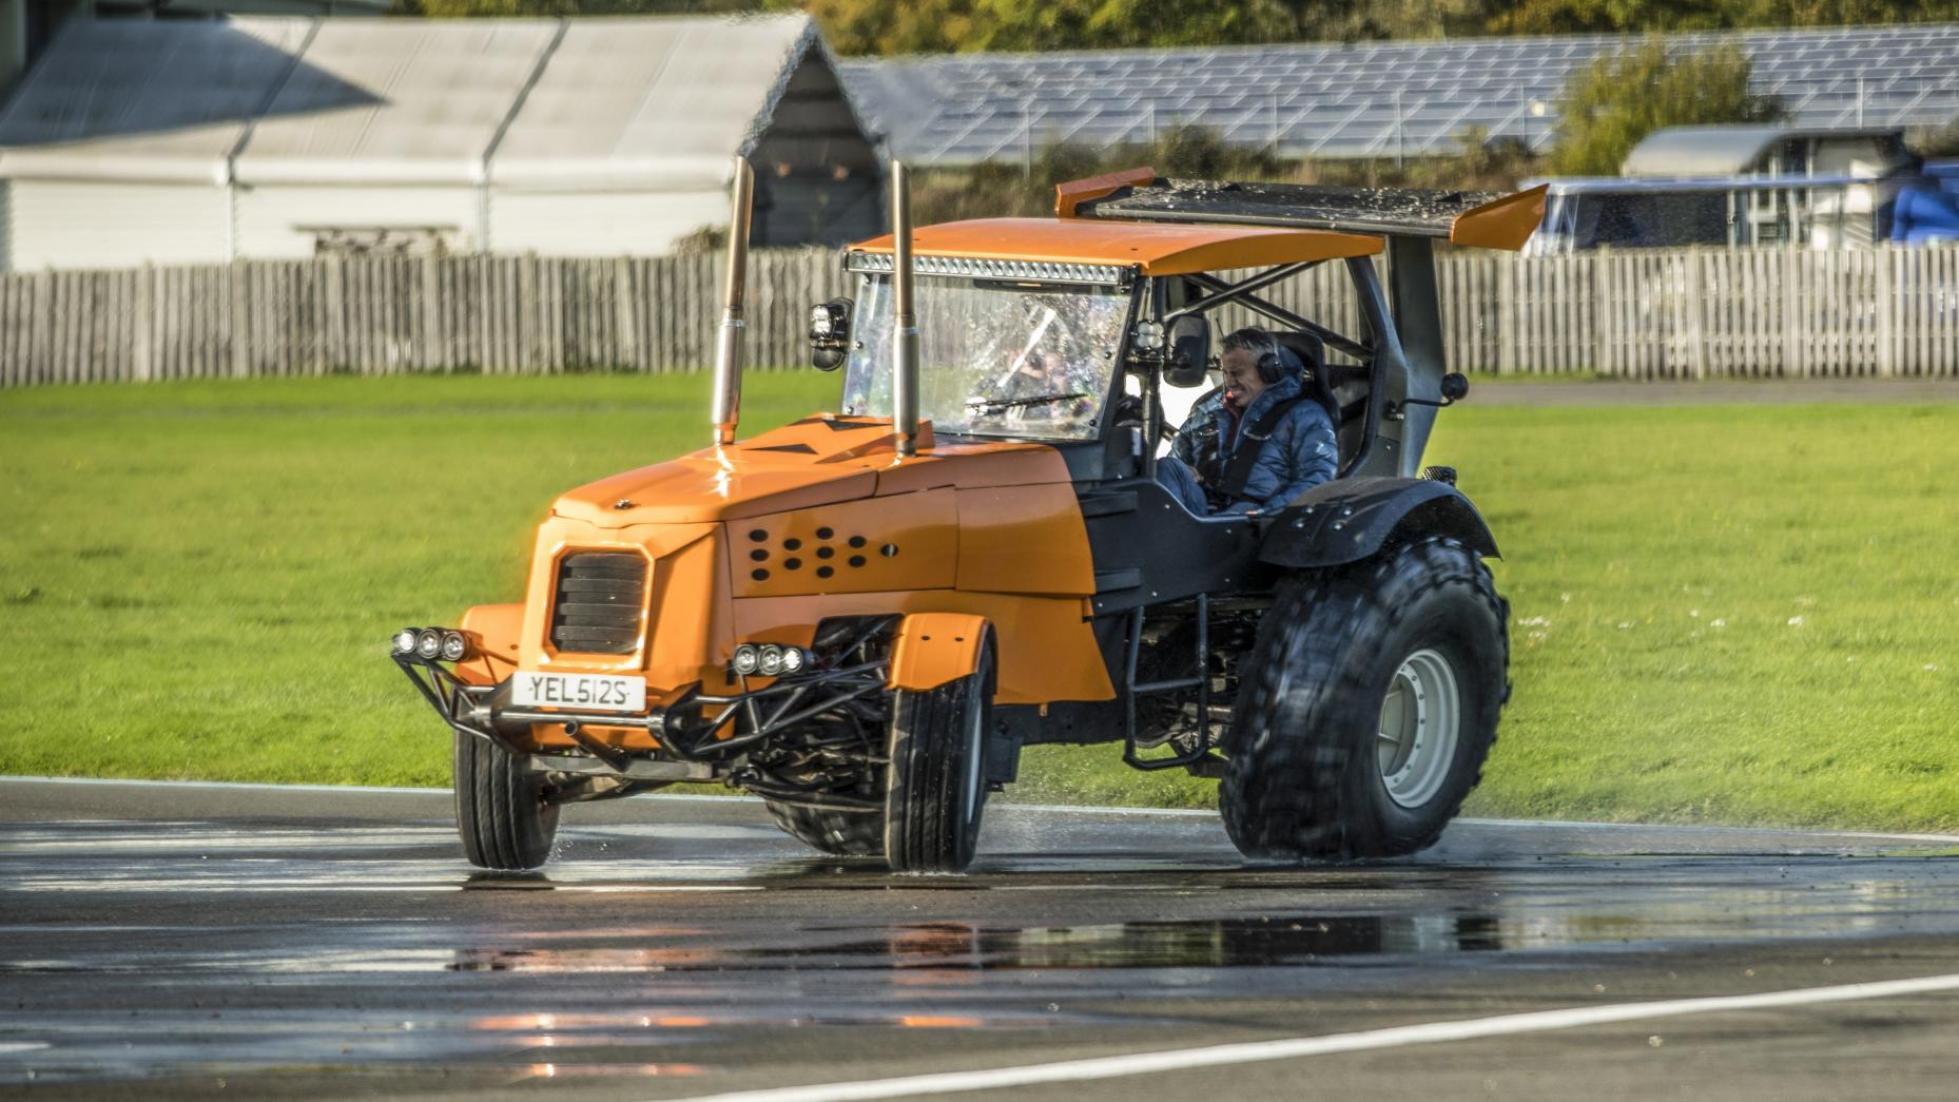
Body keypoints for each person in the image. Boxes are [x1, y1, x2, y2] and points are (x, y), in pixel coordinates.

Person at [1154, 327, 1337, 516]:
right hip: (1200, 513)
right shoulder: (1207, 414)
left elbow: (1318, 479)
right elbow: (1174, 467)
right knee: (1167, 468)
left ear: (1269, 371)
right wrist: (1188, 470)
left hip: (1255, 521)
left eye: (1237, 373)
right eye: (1225, 373)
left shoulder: (1304, 415)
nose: (1229, 382)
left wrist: (1266, 513)